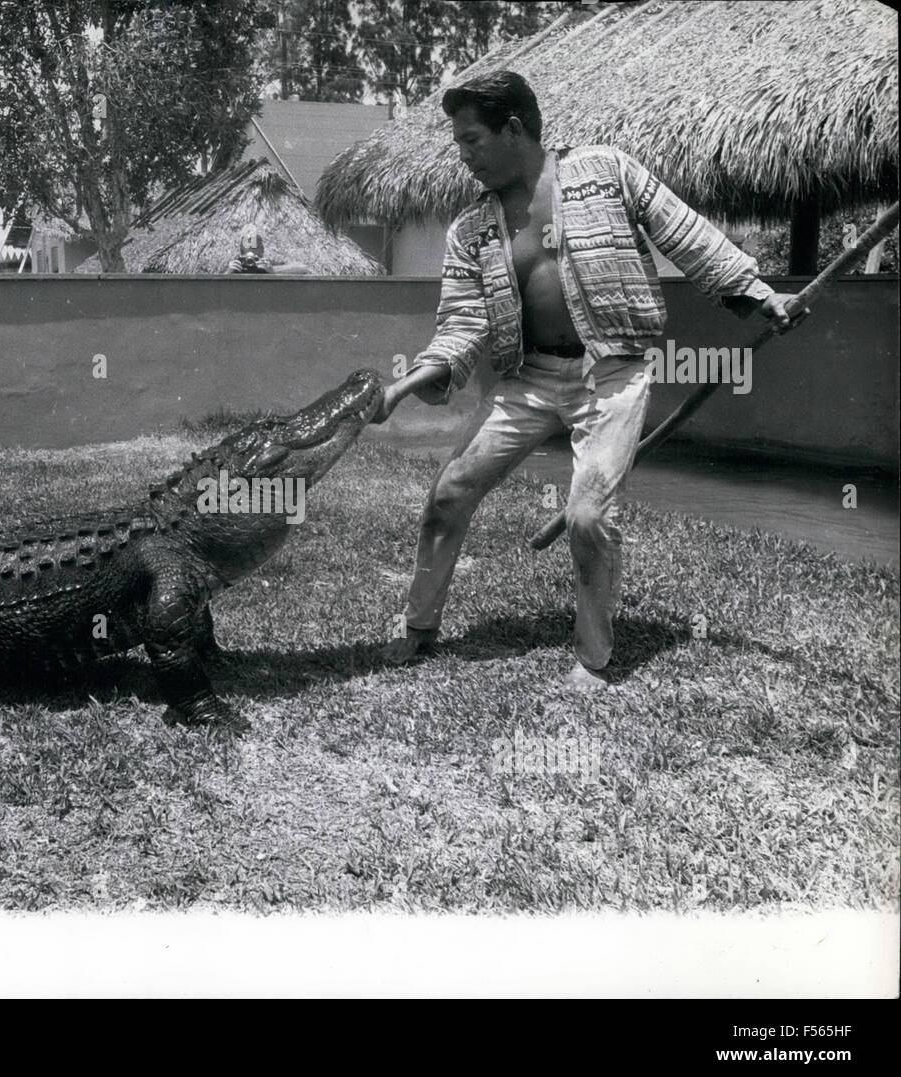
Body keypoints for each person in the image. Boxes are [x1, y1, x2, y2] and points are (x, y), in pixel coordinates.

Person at [371, 71, 804, 692]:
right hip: (531, 378)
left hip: (612, 374)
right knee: (447, 495)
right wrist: (407, 385)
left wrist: (758, 293)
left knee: (587, 516)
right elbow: (462, 325)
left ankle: (593, 658)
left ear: (513, 127)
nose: (463, 156)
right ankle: (418, 627)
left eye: (471, 140)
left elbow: (686, 233)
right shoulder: (471, 230)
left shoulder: (606, 172)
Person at [226, 223, 312, 275]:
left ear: (262, 252)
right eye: (246, 257)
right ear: (240, 255)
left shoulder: (267, 264)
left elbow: (303, 268)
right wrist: (227, 274)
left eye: (255, 257)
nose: (250, 260)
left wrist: (273, 271)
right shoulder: (235, 265)